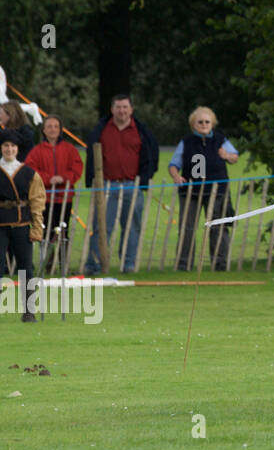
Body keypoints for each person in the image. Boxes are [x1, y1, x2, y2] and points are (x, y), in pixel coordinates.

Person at [84, 95, 159, 275]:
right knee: (101, 226)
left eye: (125, 107)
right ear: (112, 109)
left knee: (132, 227)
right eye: (118, 107)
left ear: (131, 110)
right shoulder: (102, 129)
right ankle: (94, 264)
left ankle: (129, 264)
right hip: (106, 186)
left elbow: (152, 155)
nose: (122, 111)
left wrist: (144, 179)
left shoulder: (140, 131)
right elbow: (91, 153)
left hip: (132, 185)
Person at [168, 106, 239, 271]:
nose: (204, 124)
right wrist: (176, 176)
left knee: (218, 227)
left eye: (207, 122)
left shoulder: (221, 140)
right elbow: (173, 164)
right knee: (187, 228)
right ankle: (184, 264)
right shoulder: (186, 142)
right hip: (191, 192)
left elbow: (234, 157)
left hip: (217, 191)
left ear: (212, 123)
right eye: (200, 122)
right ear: (193, 124)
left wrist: (227, 156)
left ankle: (219, 264)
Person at [25, 115, 83, 275]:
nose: (52, 129)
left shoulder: (69, 149)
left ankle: (63, 264)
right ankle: (47, 264)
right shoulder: (36, 151)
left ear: (60, 129)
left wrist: (64, 178)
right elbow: (31, 170)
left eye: (55, 126)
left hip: (64, 198)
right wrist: (47, 179)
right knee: (47, 231)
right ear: (44, 130)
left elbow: (77, 168)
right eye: (49, 126)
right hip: (45, 198)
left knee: (62, 231)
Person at [0, 129, 44, 320]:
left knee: (25, 266)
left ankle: (29, 310)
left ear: (18, 149)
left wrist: (36, 226)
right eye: (6, 146)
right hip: (1, 223)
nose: (9, 149)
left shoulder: (29, 173)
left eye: (12, 146)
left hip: (22, 222)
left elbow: (37, 201)